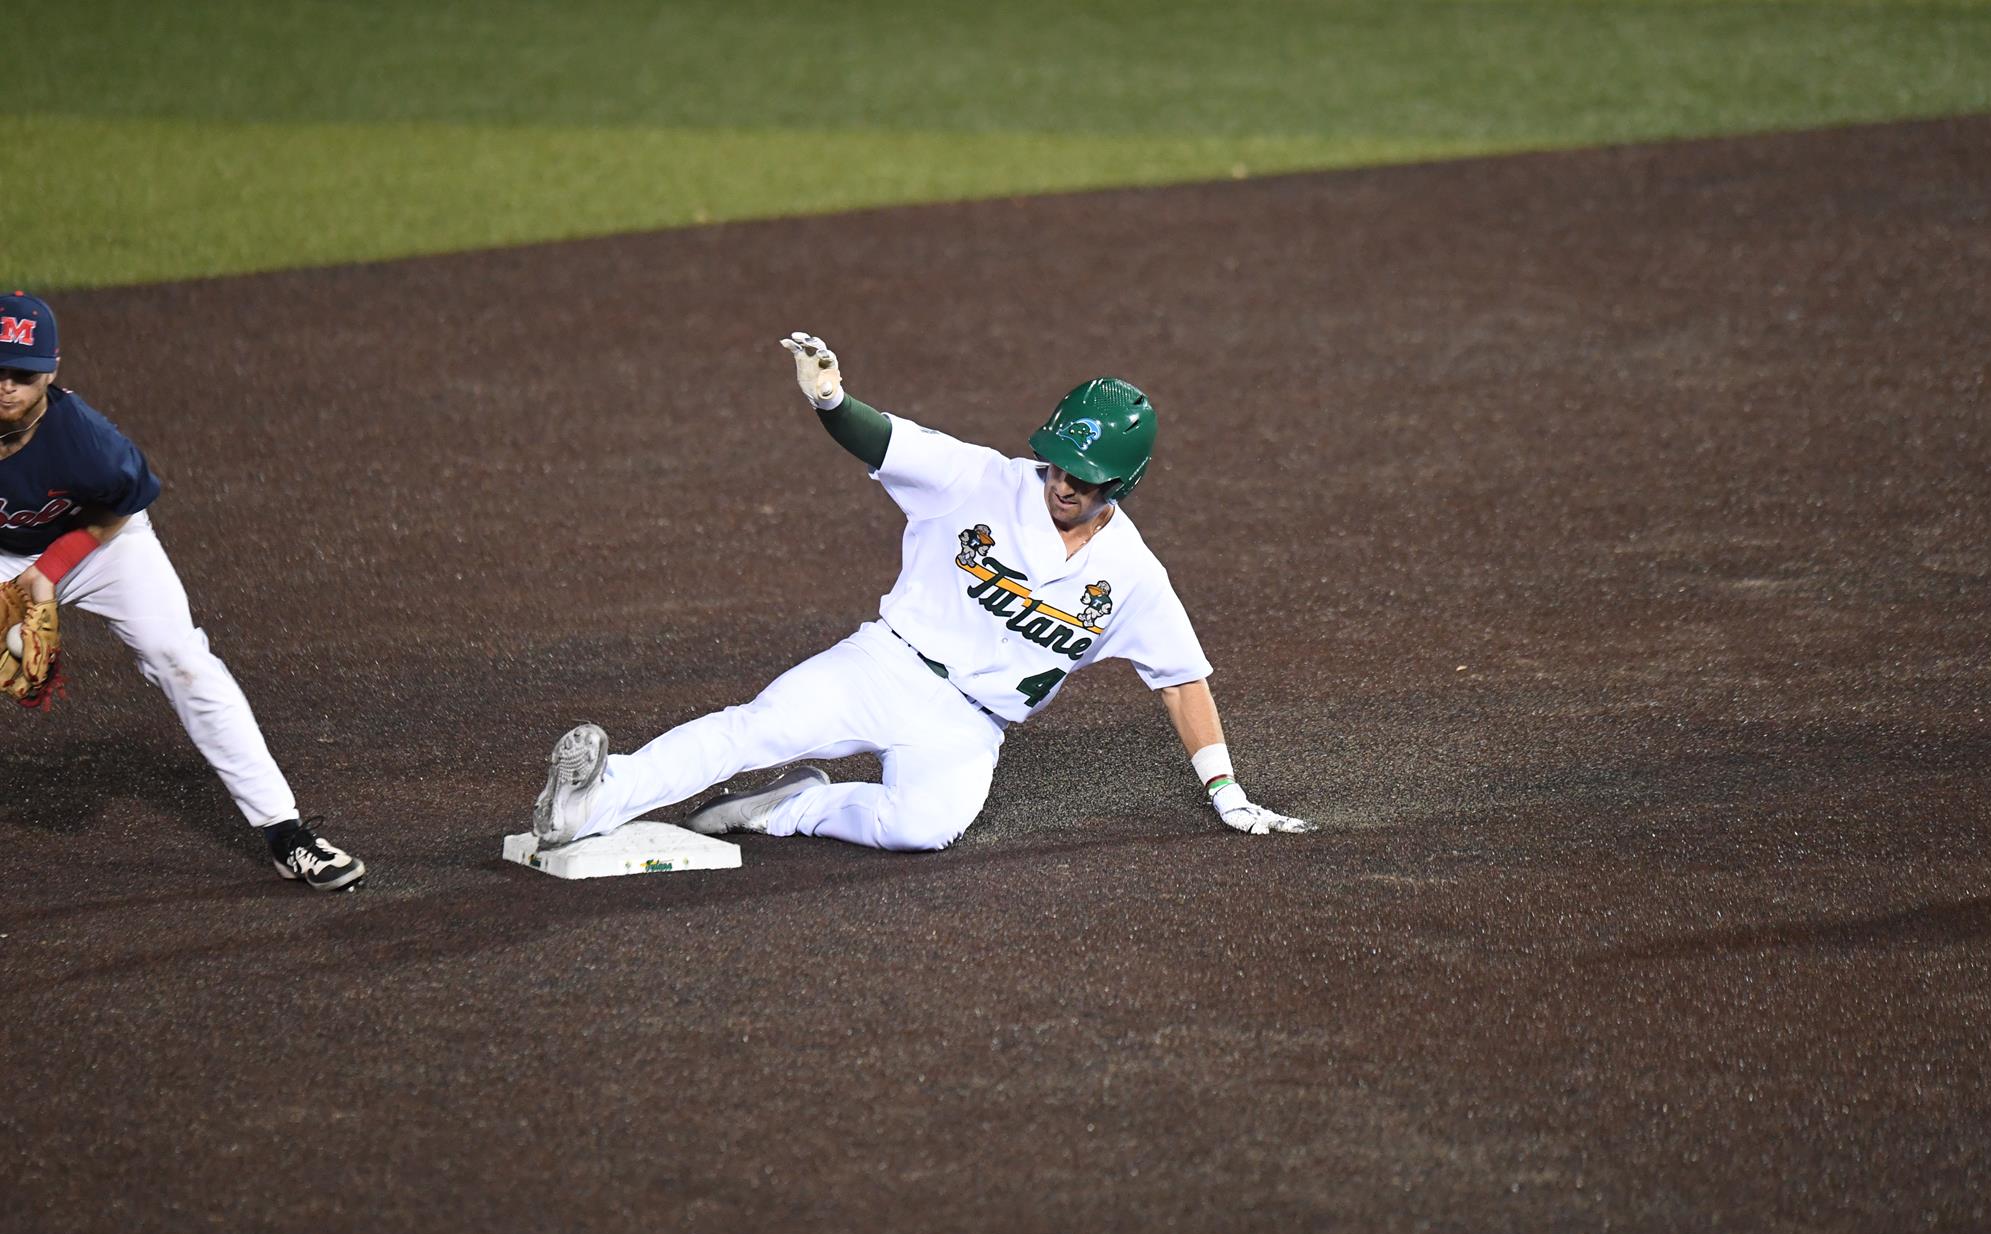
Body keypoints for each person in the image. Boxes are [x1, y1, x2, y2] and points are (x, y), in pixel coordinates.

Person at [533, 331, 1310, 852]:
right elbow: (883, 439)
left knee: (920, 831)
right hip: (884, 665)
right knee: (754, 729)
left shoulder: (1134, 576)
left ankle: (792, 806)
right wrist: (831, 401)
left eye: (1086, 476)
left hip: (970, 728)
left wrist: (1225, 790)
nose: (1064, 483)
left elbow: (1181, 680)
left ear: (1124, 483)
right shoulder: (979, 478)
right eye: (1059, 463)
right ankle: (592, 799)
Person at [0, 292, 366, 891]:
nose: (7, 386)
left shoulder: (89, 442)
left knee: (180, 658)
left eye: (22, 372)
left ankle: (285, 832)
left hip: (100, 544)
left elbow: (121, 505)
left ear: (52, 369)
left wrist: (50, 569)